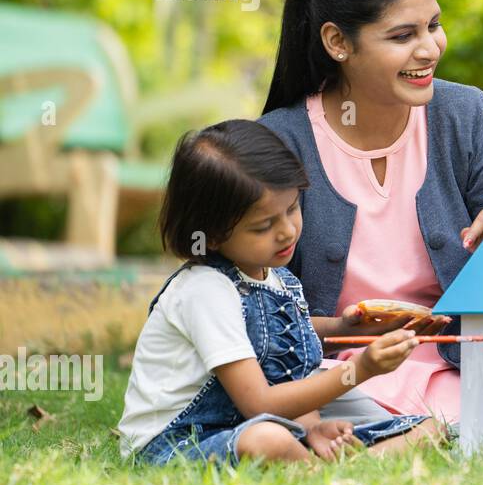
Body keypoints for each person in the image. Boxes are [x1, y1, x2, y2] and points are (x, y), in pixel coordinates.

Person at [258, 0, 483, 421]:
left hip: (456, 366)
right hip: (332, 372)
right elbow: (254, 308)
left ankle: (417, 428)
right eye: (403, 36)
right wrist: (342, 333)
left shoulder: (465, 116)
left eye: (434, 25)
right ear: (338, 42)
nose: (430, 49)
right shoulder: (280, 142)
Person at [120, 120, 438, 465]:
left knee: (430, 427)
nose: (287, 232)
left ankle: (328, 462)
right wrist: (358, 371)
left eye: (292, 208)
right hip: (180, 442)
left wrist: (313, 426)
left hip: (255, 426)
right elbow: (259, 403)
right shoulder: (205, 291)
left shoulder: (278, 280)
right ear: (210, 235)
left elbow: (285, 364)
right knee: (267, 440)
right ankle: (327, 471)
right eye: (263, 225)